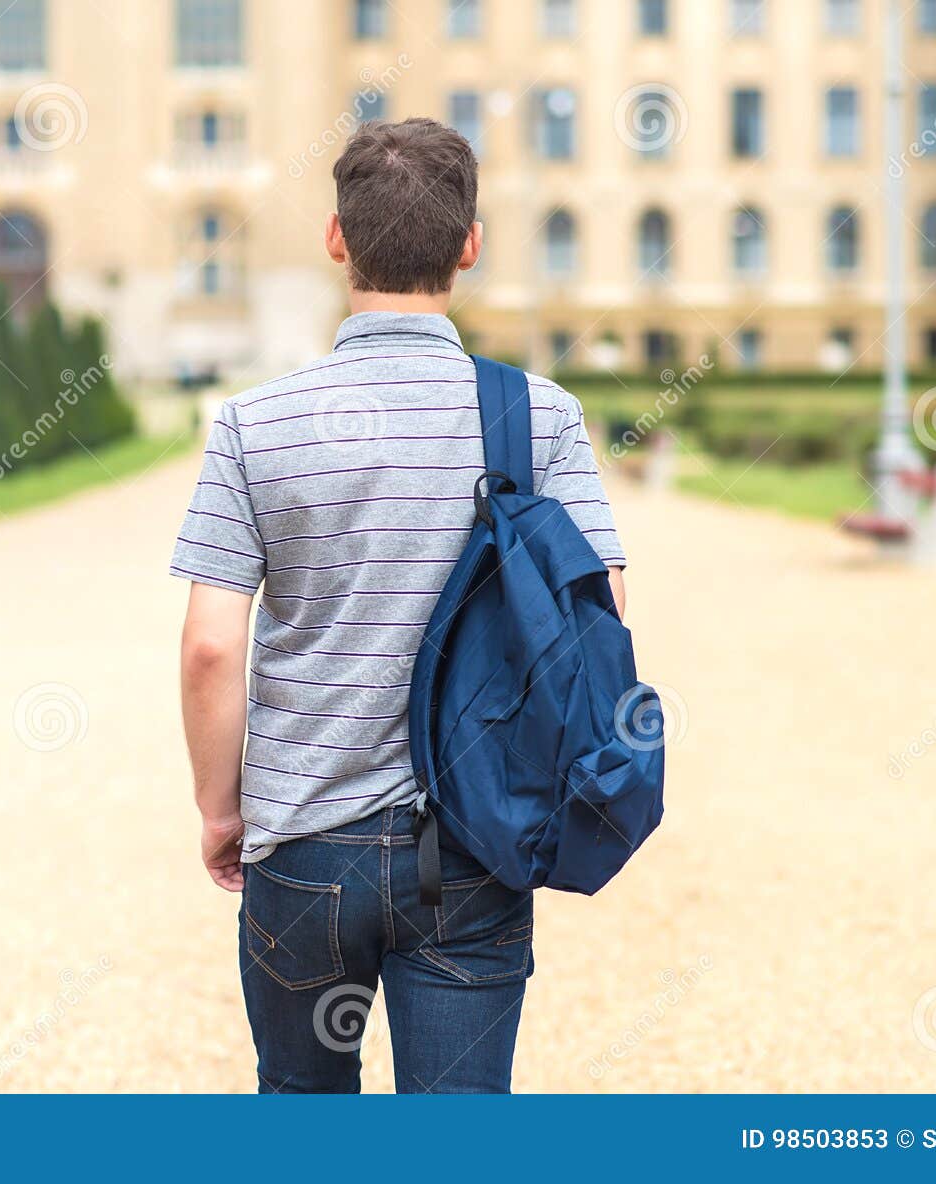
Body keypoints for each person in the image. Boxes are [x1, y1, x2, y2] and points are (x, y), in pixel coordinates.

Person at [170, 118, 628, 1093]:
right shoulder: (536, 417)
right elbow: (602, 615)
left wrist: (223, 809)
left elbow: (212, 646)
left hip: (301, 843)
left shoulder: (255, 424)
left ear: (337, 239)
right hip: (473, 840)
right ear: (469, 245)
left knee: (301, 1106)